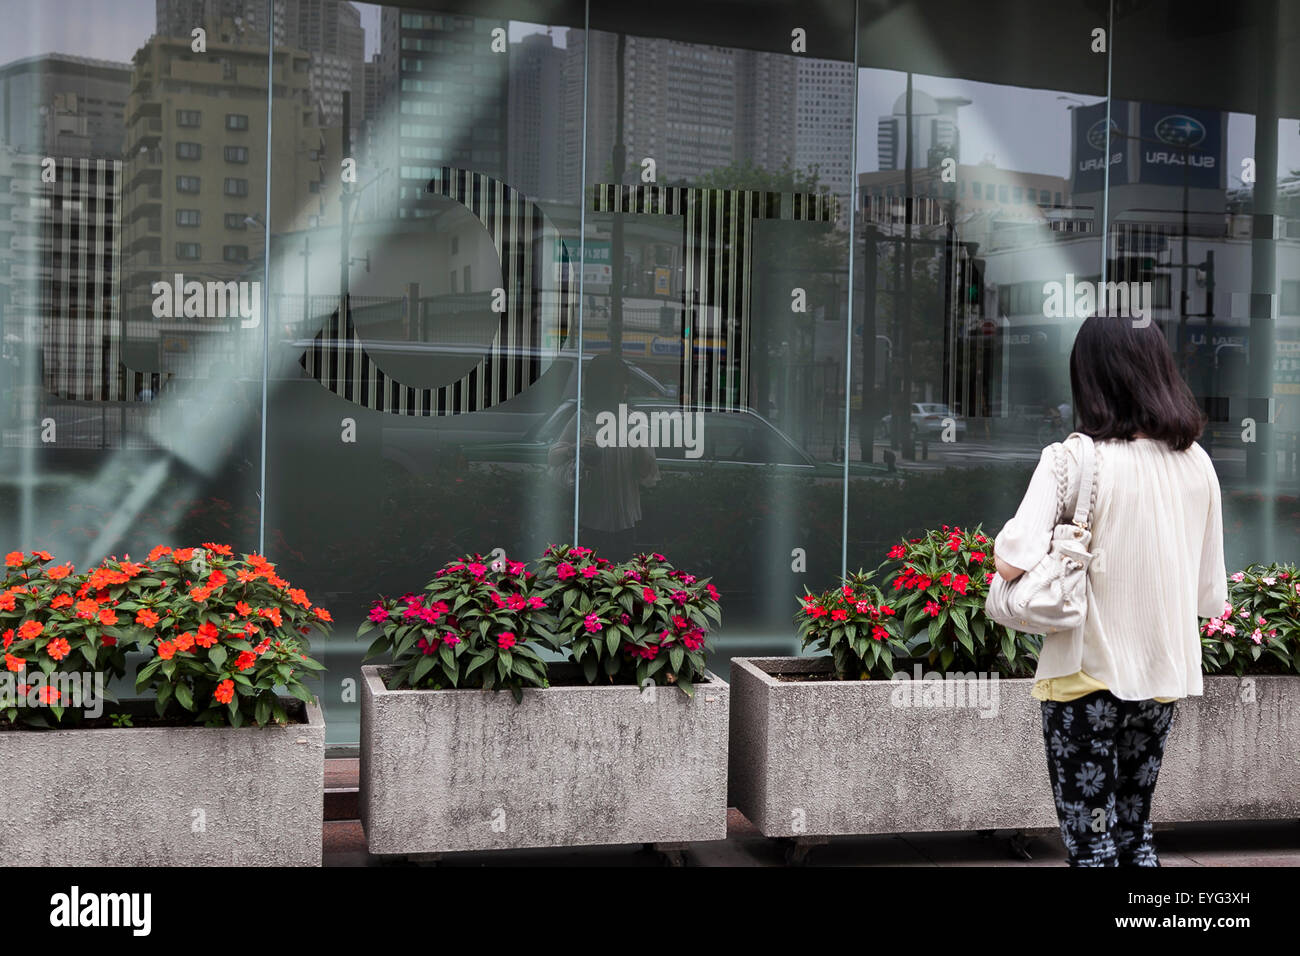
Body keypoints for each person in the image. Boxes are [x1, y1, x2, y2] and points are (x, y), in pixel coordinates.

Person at [993, 315, 1227, 867]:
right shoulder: (1198, 463)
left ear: (1091, 378)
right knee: (1133, 832)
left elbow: (1009, 560)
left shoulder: (1073, 458)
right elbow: (1207, 589)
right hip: (1162, 676)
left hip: (1084, 677)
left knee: (1090, 842)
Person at [548, 353, 659, 559]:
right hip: (591, 521)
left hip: (624, 522)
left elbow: (647, 473)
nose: (623, 388)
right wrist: (577, 448)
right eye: (617, 382)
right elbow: (553, 457)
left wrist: (638, 446)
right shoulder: (583, 418)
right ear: (601, 385)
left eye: (624, 382)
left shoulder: (633, 420)